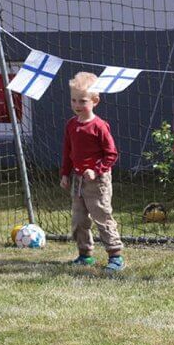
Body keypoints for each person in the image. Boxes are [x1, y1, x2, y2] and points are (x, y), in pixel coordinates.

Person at [59, 72, 125, 273]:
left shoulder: (99, 126)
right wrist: (65, 173)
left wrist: (96, 171)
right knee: (79, 218)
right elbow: (68, 151)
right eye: (73, 100)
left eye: (83, 101)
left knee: (102, 216)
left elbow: (111, 154)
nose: (77, 105)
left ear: (95, 101)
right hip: (78, 179)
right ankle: (84, 254)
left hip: (98, 181)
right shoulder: (71, 125)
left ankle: (115, 255)